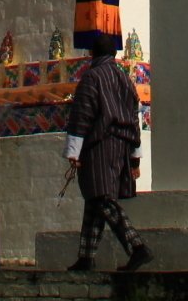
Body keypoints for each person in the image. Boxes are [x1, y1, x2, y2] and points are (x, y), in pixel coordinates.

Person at [63, 31, 152, 273]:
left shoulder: (92, 78)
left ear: (92, 54)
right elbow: (135, 118)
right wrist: (135, 156)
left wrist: (73, 150)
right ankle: (86, 256)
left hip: (100, 144)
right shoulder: (125, 79)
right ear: (113, 54)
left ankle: (136, 246)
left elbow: (83, 114)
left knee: (102, 198)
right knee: (95, 198)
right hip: (122, 144)